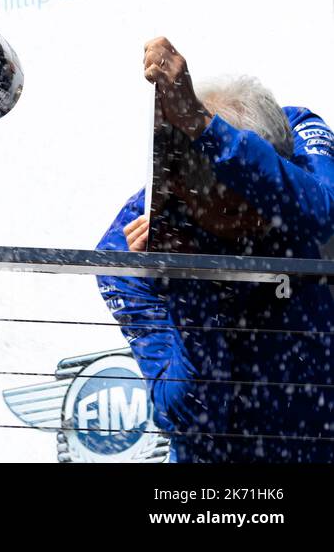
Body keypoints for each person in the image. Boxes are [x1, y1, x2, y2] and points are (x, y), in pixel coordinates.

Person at [96, 37, 334, 462]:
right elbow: (191, 415)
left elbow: (321, 211)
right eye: (230, 214)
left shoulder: (292, 128)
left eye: (261, 210)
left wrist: (206, 128)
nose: (254, 228)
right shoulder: (130, 251)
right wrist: (191, 285)